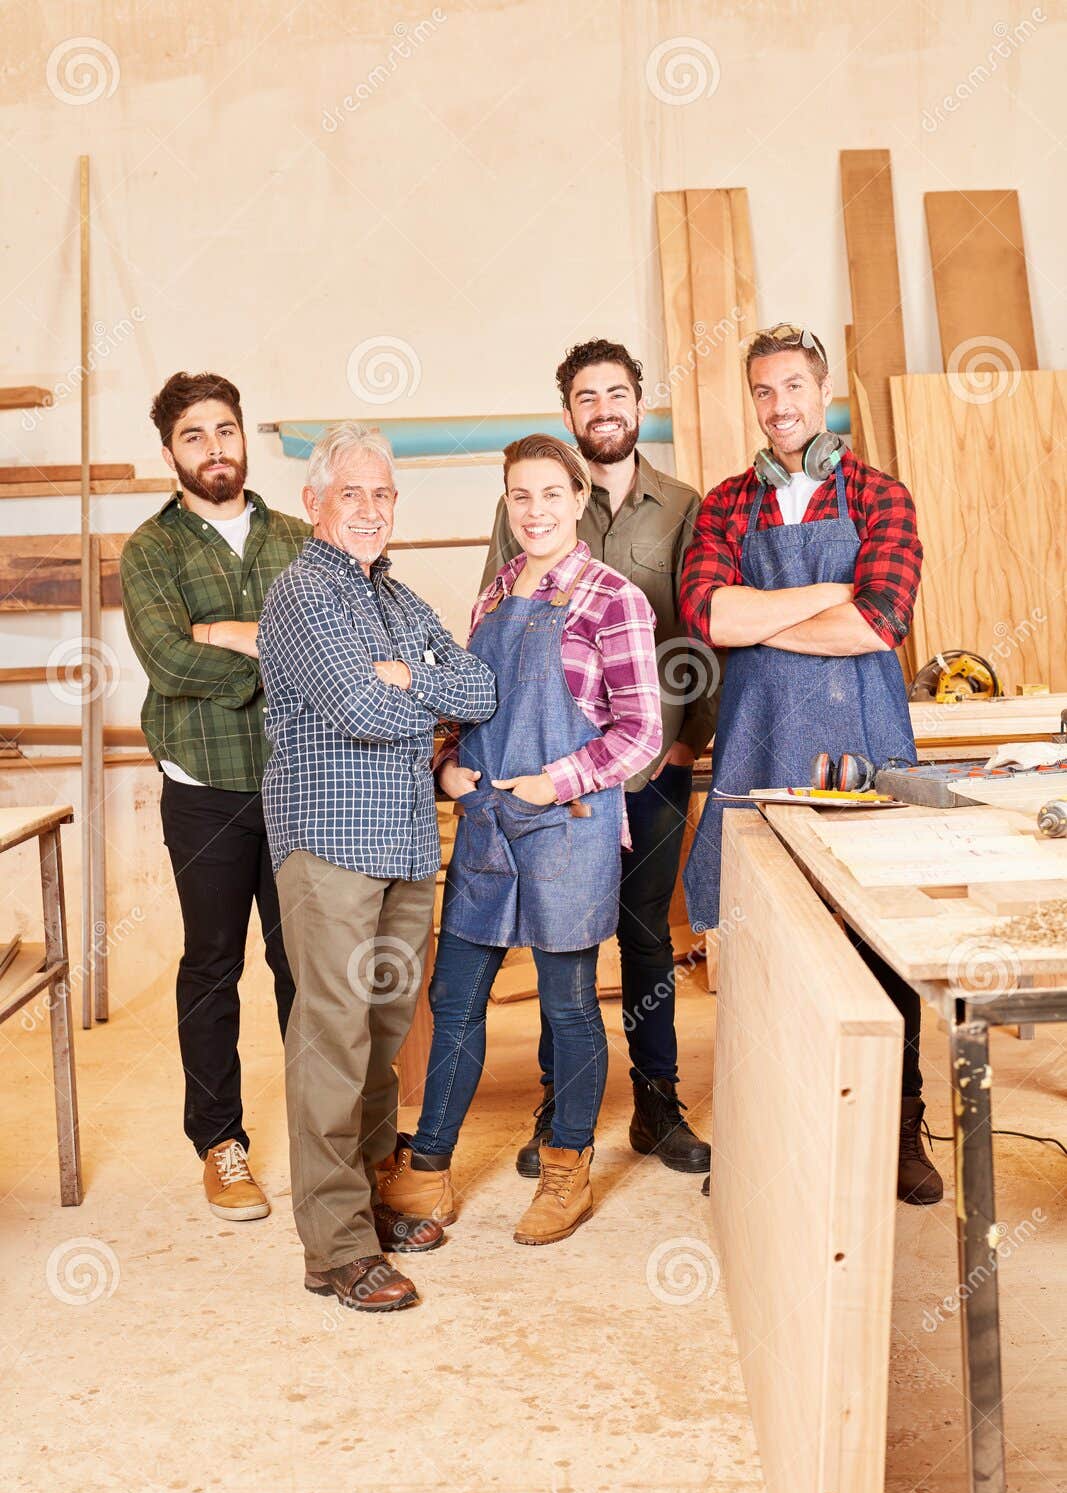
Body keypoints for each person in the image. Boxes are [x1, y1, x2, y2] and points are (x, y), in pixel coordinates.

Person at [377, 435, 662, 1246]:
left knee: (569, 1008)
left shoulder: (614, 599)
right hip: (489, 827)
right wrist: (446, 766)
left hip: (567, 828)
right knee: (455, 998)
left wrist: (557, 780)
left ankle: (566, 1168)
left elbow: (641, 734)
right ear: (507, 505)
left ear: (579, 500)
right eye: (519, 496)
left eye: (549, 494)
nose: (534, 510)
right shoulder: (494, 594)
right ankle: (427, 1170)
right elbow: (465, 707)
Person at [679, 323, 940, 1205]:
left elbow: (878, 622)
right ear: (750, 401)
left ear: (820, 391)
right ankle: (768, 1133)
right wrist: (828, 594)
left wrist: (768, 619)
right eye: (762, 391)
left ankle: (898, 1128)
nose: (779, 406)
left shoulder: (880, 495)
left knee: (875, 943)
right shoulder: (723, 505)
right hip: (755, 743)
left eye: (792, 387)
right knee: (758, 946)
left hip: (861, 738)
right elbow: (710, 621)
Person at [257, 423, 496, 1312]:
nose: (367, 509)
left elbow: (480, 687)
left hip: (401, 840)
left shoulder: (395, 599)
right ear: (313, 502)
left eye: (381, 495)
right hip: (328, 844)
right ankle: (334, 1249)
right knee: (332, 1035)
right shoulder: (300, 596)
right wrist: (404, 683)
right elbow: (360, 707)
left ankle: (361, 1204)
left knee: (384, 1035)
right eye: (349, 493)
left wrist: (413, 672)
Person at [479, 340, 713, 1178]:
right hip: (551, 779)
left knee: (646, 936)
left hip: (645, 765)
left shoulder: (683, 506)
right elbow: (492, 634)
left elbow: (700, 630)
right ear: (569, 414)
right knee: (558, 937)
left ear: (638, 404)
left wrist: (686, 739)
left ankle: (657, 1102)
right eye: (586, 397)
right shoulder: (535, 509)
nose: (602, 408)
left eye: (617, 393)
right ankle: (559, 1106)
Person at [121, 371, 309, 1224]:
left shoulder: (303, 539)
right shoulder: (150, 550)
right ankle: (220, 1144)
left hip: (304, 787)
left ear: (243, 438)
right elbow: (167, 662)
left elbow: (328, 650)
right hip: (203, 789)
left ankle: (323, 1134)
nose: (214, 448)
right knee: (210, 967)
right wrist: (270, 649)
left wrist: (226, 634)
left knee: (305, 967)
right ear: (170, 453)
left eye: (224, 430)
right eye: (194, 436)